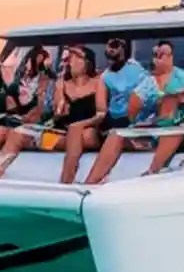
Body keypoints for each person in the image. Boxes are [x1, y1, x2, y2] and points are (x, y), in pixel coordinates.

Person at [0, 46, 103, 180]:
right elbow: (58, 113)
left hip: (87, 130)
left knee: (86, 135)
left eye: (76, 58)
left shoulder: (98, 82)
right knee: (18, 133)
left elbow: (101, 112)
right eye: (70, 58)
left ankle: (68, 177)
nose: (70, 61)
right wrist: (59, 105)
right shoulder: (62, 84)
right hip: (63, 133)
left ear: (87, 63)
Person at [82, 39, 184, 184]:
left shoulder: (182, 77)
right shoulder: (149, 80)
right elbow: (134, 104)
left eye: (161, 55)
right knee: (117, 134)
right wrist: (138, 120)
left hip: (177, 126)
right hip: (151, 127)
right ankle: (91, 181)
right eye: (155, 54)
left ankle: (152, 173)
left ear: (171, 57)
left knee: (172, 122)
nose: (157, 58)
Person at [60, 38, 146, 183]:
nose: (110, 50)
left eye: (115, 46)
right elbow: (101, 112)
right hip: (108, 123)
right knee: (75, 129)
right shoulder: (105, 77)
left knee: (107, 133)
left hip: (132, 125)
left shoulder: (138, 72)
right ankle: (66, 181)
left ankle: (90, 181)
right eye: (108, 47)